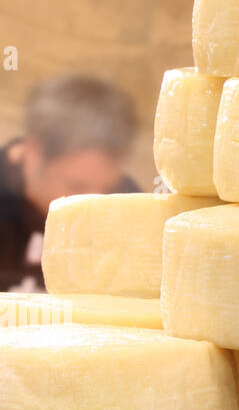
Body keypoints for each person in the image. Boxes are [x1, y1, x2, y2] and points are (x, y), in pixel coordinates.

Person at [0, 75, 139, 292]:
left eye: (107, 189)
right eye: (76, 187)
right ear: (34, 151)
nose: (93, 204)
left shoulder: (127, 203)